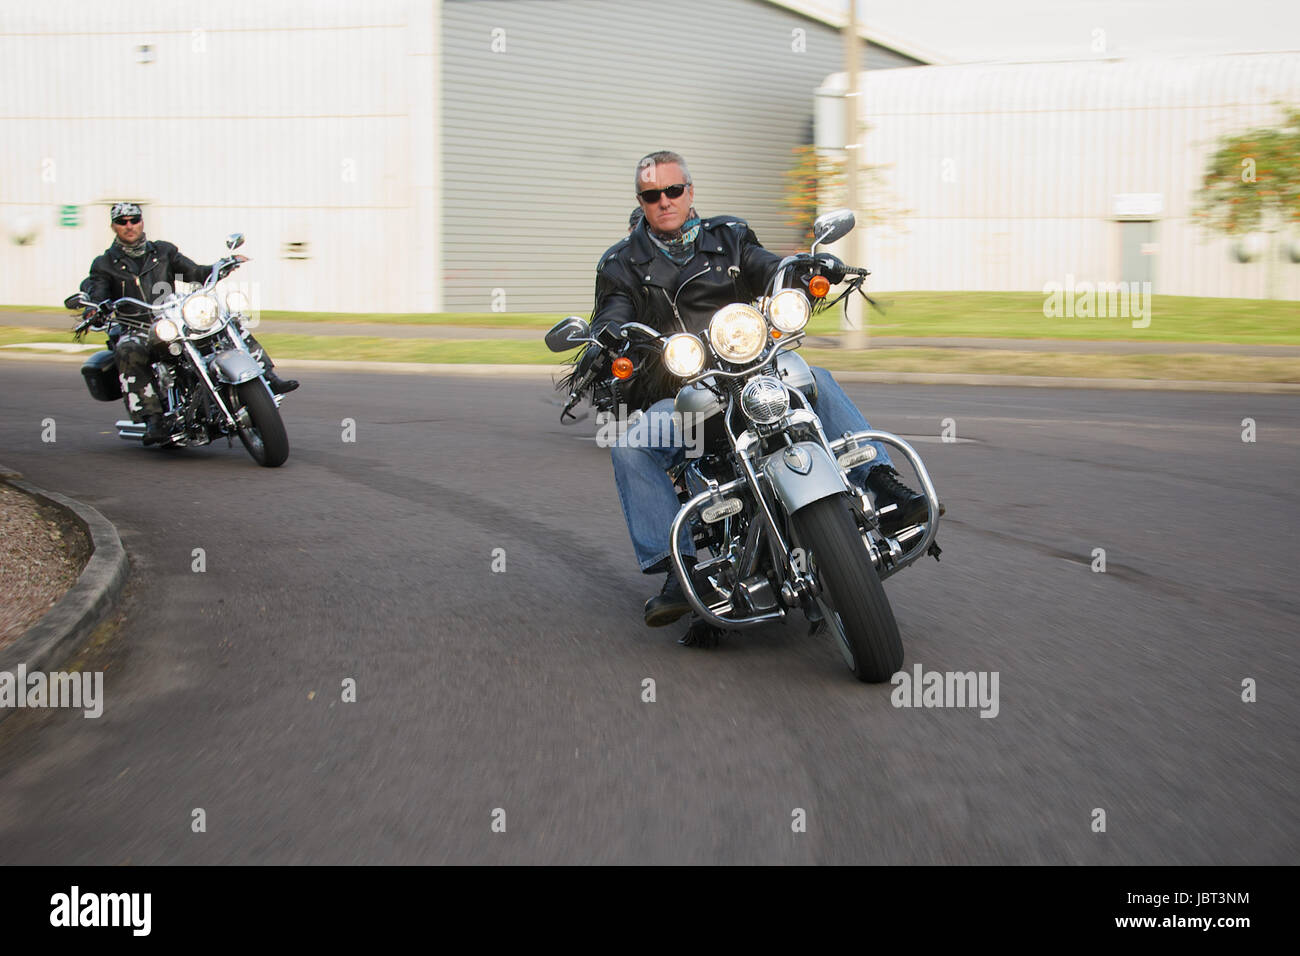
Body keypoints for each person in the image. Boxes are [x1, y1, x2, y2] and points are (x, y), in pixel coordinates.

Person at [592, 151, 931, 628]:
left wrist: (803, 268)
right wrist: (610, 336)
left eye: (673, 190)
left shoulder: (729, 236)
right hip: (684, 395)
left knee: (816, 378)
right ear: (641, 201)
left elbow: (766, 266)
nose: (664, 201)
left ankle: (881, 481)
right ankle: (679, 569)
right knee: (630, 445)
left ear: (690, 192)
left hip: (753, 368)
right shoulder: (621, 263)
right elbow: (610, 312)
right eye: (652, 195)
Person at [78, 202, 298, 445]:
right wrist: (95, 307)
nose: (129, 226)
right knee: (128, 349)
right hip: (137, 325)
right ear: (113, 226)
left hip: (171, 318)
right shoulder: (105, 263)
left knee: (227, 322)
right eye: (122, 222)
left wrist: (221, 266)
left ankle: (268, 376)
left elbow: (193, 272)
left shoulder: (163, 252)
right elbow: (96, 289)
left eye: (134, 220)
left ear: (142, 221)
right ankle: (153, 419)